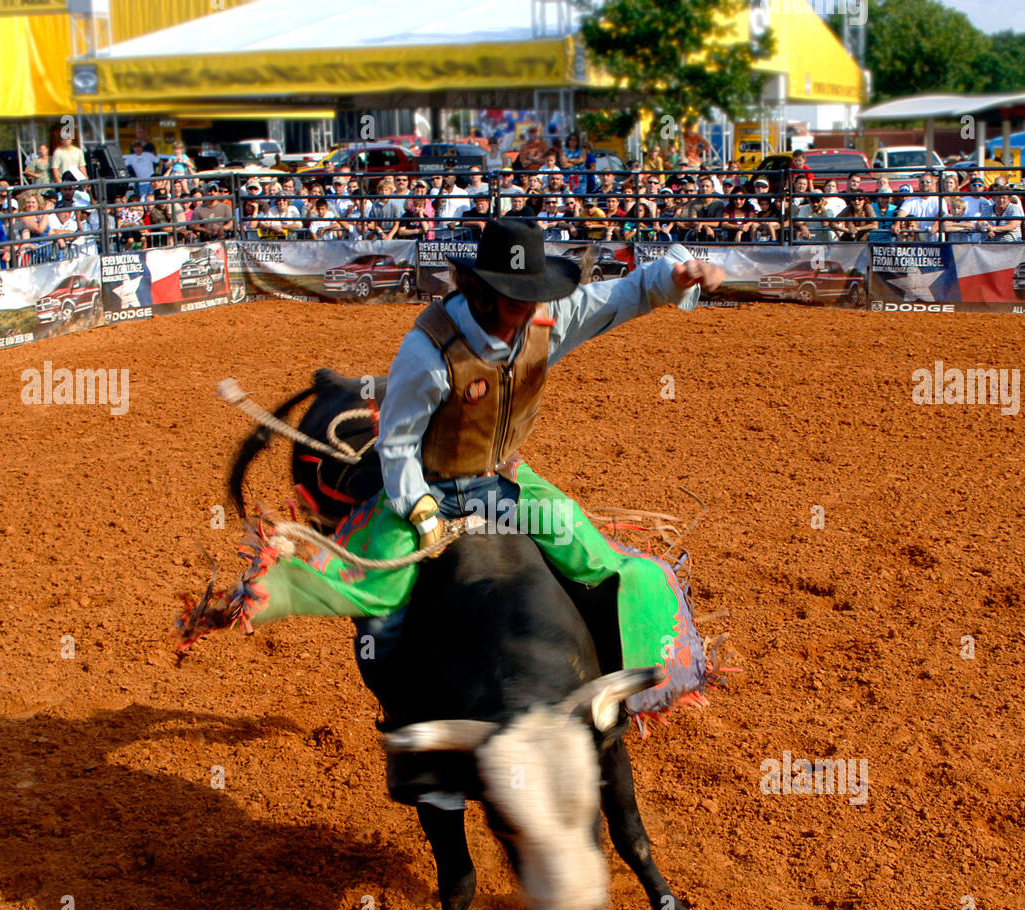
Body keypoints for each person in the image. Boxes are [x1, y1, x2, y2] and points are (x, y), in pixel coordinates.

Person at [175, 218, 727, 725]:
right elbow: (396, 442)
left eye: (531, 298)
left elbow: (624, 295)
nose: (524, 312)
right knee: (374, 592)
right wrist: (419, 508)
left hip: (500, 480)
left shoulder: (545, 321)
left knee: (596, 555)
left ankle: (648, 681)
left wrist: (676, 274)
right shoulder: (427, 353)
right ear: (478, 292)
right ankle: (392, 698)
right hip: (427, 487)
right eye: (513, 300)